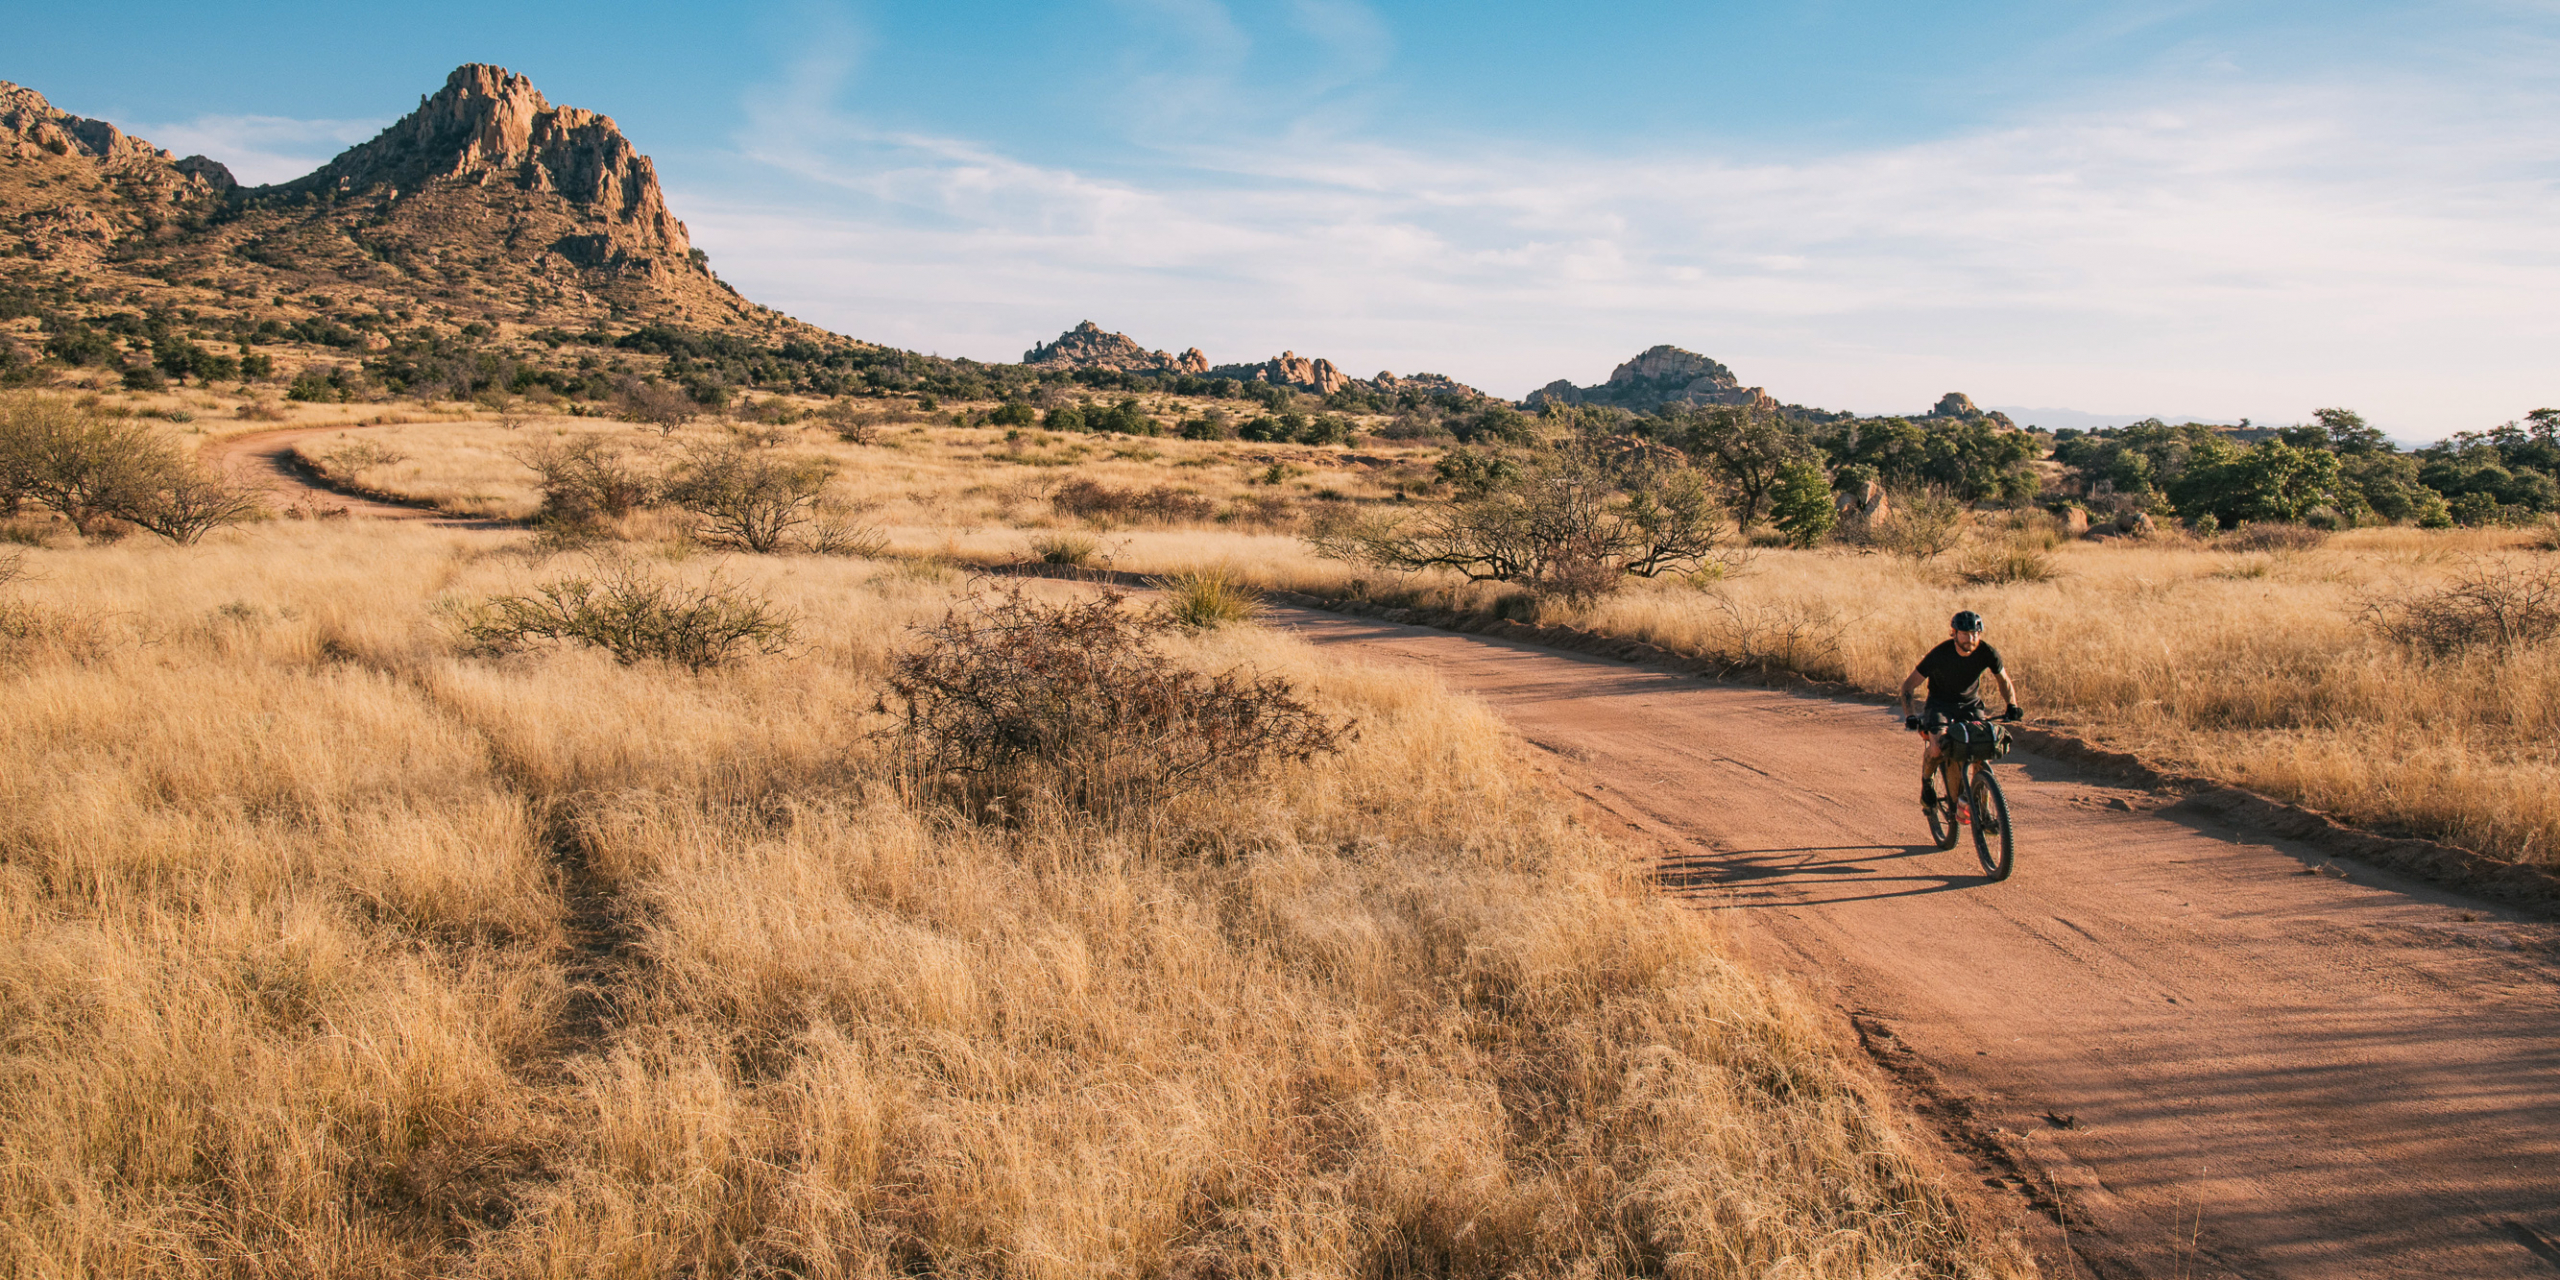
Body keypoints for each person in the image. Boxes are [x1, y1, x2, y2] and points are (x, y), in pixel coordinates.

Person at [1899, 610, 2022, 824]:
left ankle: (1981, 808)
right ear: (1954, 633)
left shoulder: (1987, 652)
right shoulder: (1940, 654)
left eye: (1975, 633)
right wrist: (1910, 715)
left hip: (1970, 705)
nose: (1970, 639)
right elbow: (1908, 686)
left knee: (1982, 750)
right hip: (1940, 705)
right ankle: (1927, 783)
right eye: (1965, 634)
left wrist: (2012, 705)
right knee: (1938, 747)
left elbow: (2003, 680)